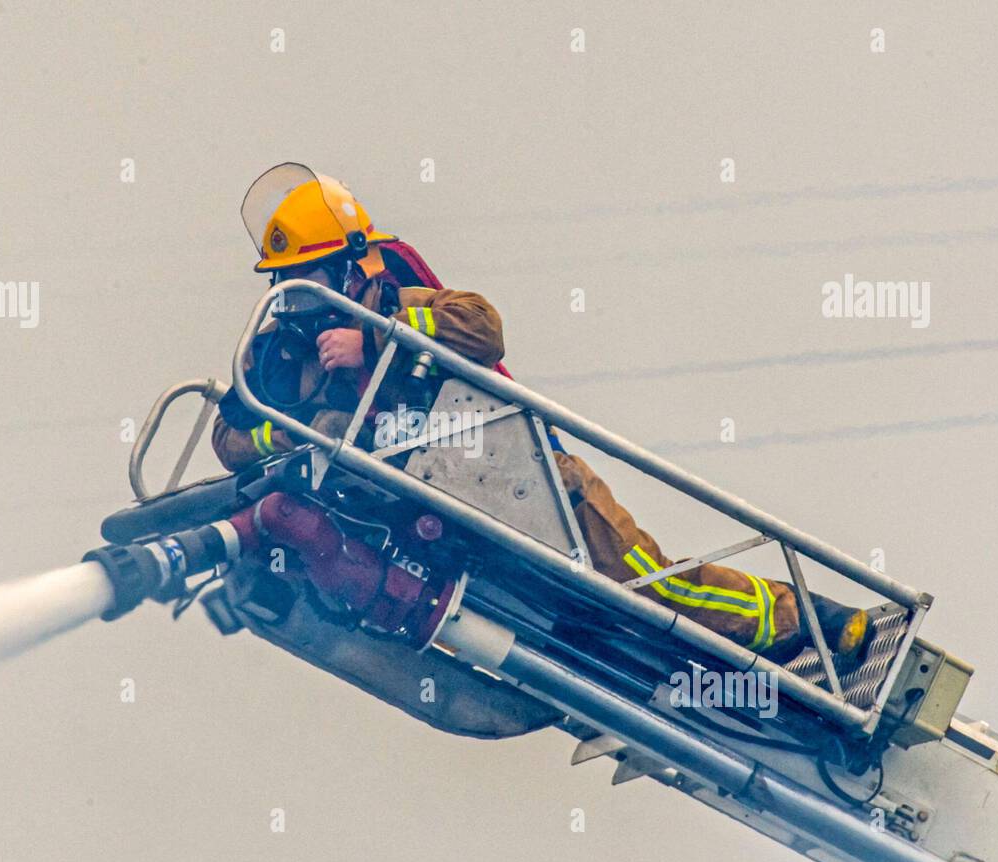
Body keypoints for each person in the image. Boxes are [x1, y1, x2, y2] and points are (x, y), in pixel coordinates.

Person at [213, 163, 872, 663]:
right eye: (289, 281)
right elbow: (231, 436)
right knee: (584, 625)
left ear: (350, 266)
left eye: (316, 277)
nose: (302, 297)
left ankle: (802, 619)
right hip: (447, 514)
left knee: (650, 590)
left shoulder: (397, 296)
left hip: (529, 477)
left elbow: (485, 331)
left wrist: (380, 333)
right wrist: (301, 425)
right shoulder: (287, 347)